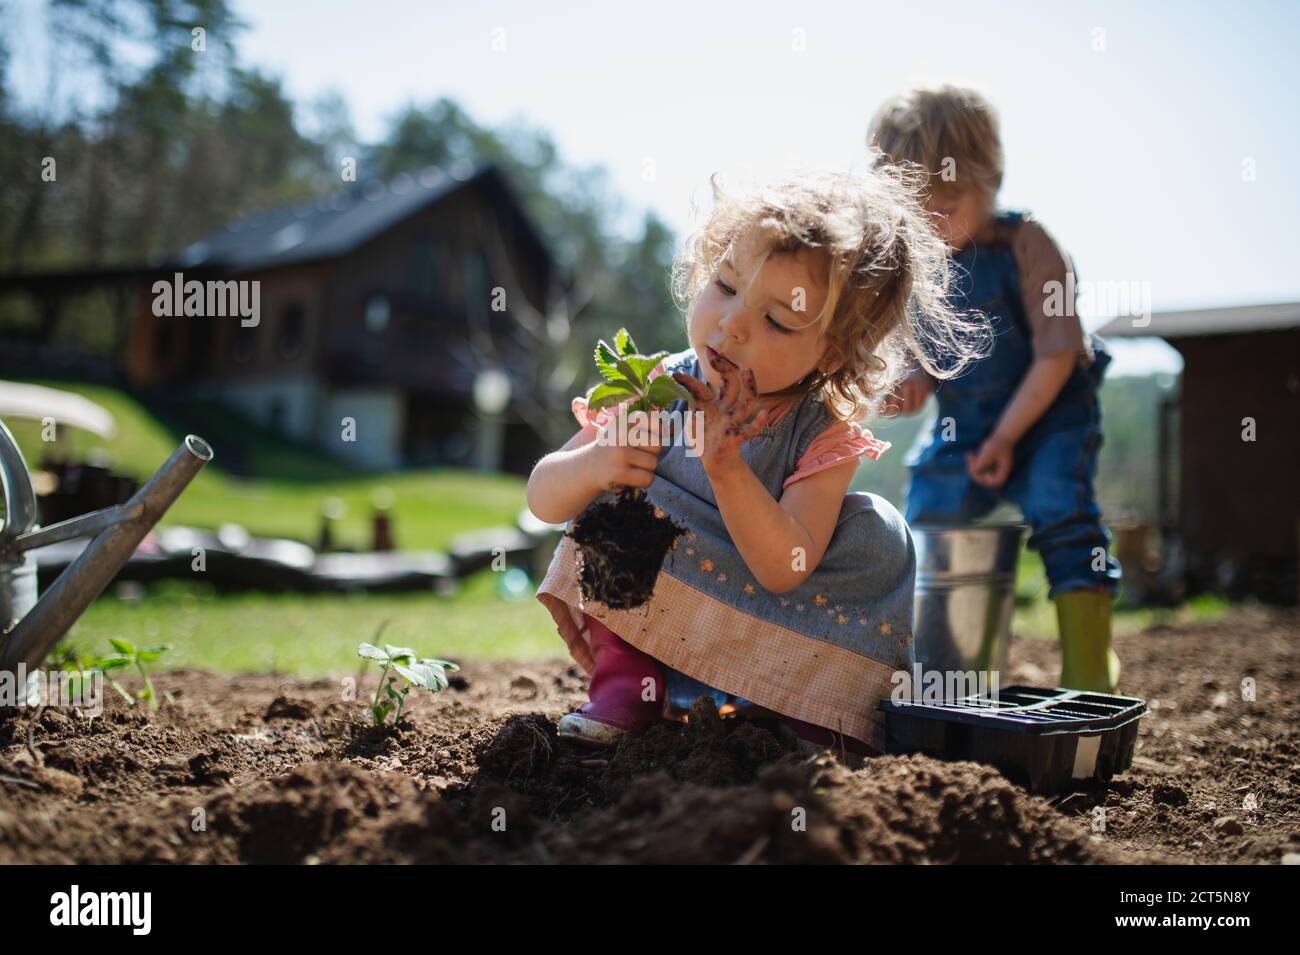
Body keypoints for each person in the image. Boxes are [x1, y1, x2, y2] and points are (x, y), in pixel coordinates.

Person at [527, 164, 983, 751]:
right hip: (666, 605)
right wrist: (594, 465)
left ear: (834, 352)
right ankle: (628, 688)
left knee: (881, 532)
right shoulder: (655, 387)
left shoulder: (821, 435)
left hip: (775, 606)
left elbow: (784, 566)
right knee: (614, 502)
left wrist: (727, 468)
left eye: (777, 319)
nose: (733, 324)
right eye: (724, 285)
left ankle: (807, 707)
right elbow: (542, 497)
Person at [869, 84, 1122, 693]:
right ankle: (942, 671)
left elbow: (1058, 354)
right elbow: (924, 366)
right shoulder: (920, 269)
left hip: (1047, 417)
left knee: (1064, 514)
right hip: (964, 424)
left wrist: (1008, 436)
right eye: (914, 211)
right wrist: (907, 388)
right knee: (929, 517)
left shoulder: (1029, 245)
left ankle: (1091, 669)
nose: (932, 222)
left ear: (992, 178)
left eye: (949, 200)